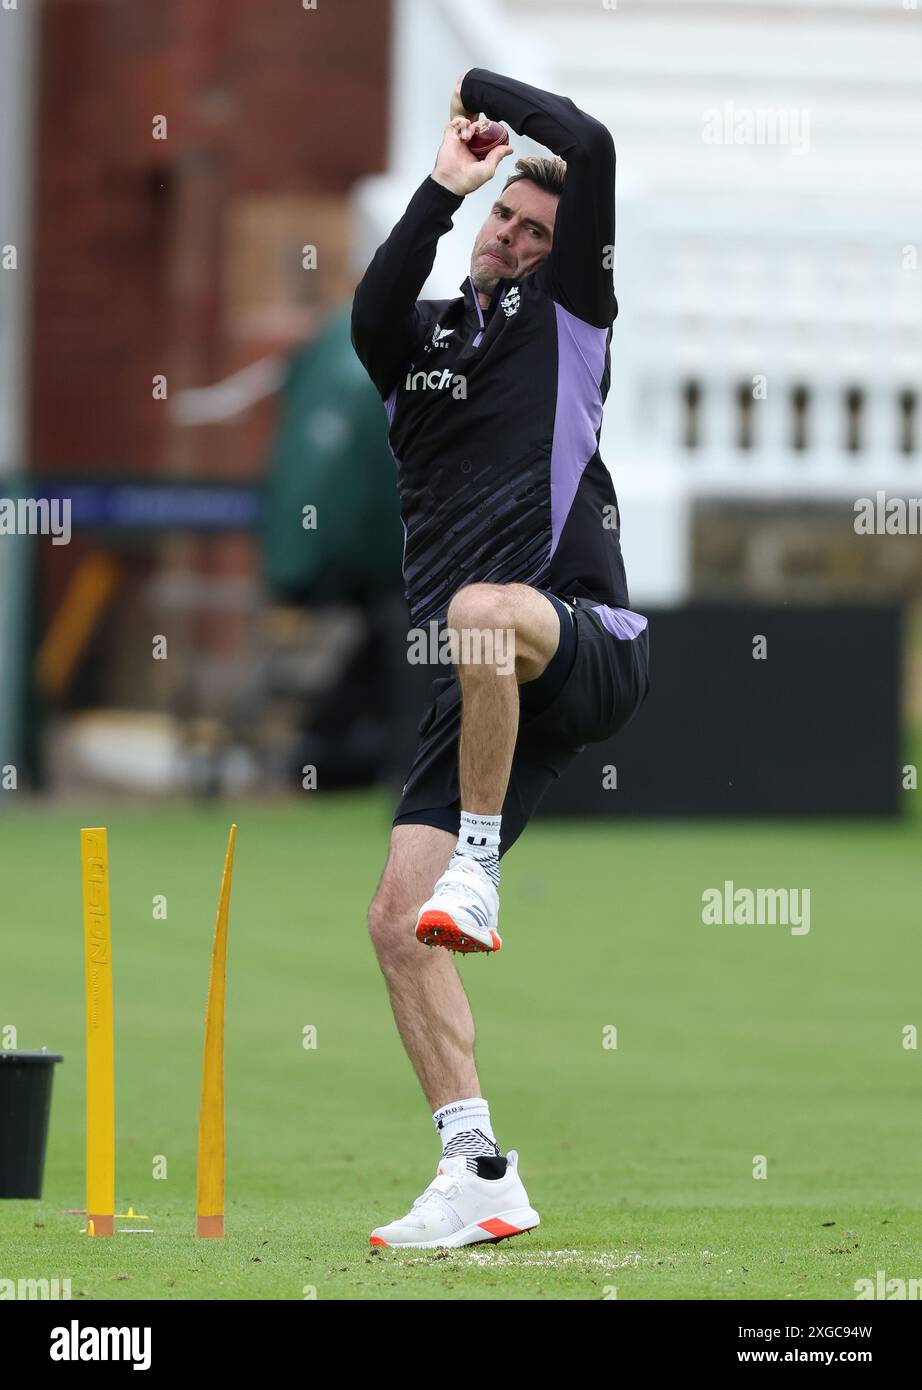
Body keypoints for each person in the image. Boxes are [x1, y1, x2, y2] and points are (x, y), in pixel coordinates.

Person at [351, 68, 650, 1249]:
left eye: (537, 233)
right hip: (482, 683)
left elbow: (593, 142)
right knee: (390, 920)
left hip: (582, 638)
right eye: (505, 221)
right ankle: (474, 1167)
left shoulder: (573, 318)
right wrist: (441, 185)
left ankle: (477, 870)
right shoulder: (418, 344)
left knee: (480, 603)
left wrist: (481, 92)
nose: (514, 242)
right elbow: (373, 312)